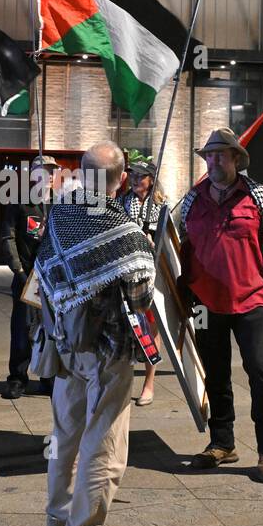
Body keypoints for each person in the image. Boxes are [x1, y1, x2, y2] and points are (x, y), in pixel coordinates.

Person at [37, 141, 155, 526]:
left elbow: (43, 275)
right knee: (103, 442)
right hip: (109, 352)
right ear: (122, 179)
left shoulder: (59, 216)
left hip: (66, 348)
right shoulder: (125, 233)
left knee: (65, 435)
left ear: (78, 174)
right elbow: (141, 300)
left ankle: (56, 519)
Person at [177, 128, 263, 485]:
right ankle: (222, 443)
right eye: (209, 155)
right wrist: (179, 295)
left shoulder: (261, 198)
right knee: (215, 374)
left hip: (250, 298)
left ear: (235, 158)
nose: (214, 160)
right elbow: (182, 251)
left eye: (221, 154)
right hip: (205, 301)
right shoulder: (192, 200)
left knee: (261, 371)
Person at [0, 155, 59, 400]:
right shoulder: (19, 202)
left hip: (53, 278)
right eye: (43, 171)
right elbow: (8, 237)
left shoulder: (61, 204)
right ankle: (17, 377)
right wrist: (19, 270)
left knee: (52, 328)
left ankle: (48, 376)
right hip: (26, 276)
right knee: (22, 327)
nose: (49, 175)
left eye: (52, 171)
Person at [119, 155, 167, 406]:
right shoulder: (121, 202)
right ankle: (123, 382)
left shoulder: (161, 207)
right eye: (133, 175)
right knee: (125, 329)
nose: (136, 179)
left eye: (142, 176)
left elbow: (171, 241)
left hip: (151, 275)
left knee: (150, 329)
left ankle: (149, 381)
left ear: (152, 180)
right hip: (125, 273)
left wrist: (154, 241)